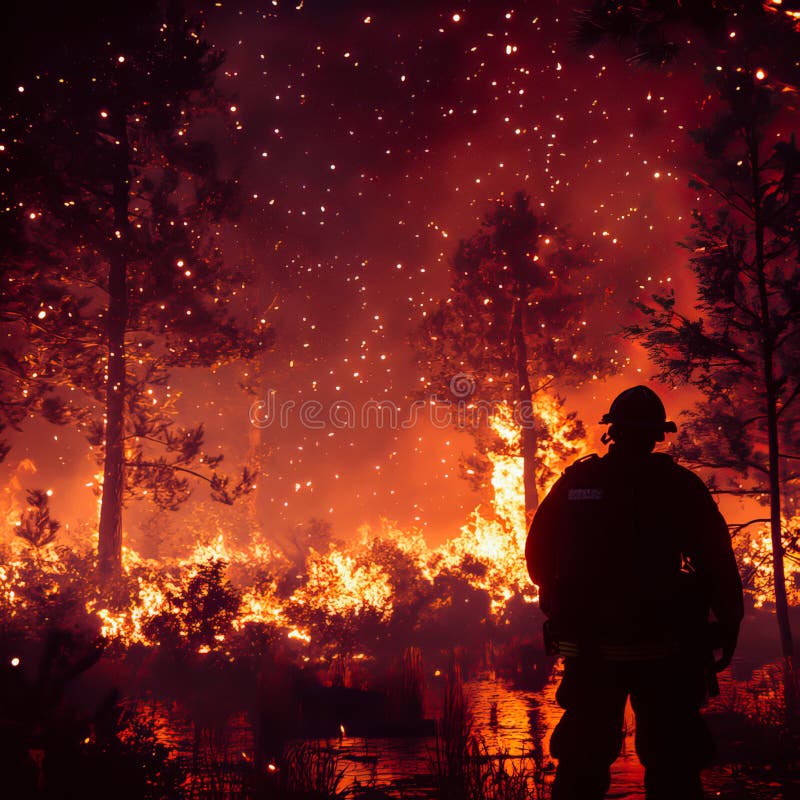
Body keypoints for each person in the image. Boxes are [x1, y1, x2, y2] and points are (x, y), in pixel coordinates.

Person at [525, 385, 743, 800]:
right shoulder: (679, 486)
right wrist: (729, 621)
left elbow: (537, 558)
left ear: (612, 431)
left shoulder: (576, 483)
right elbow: (716, 561)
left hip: (588, 652)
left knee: (581, 766)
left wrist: (562, 599)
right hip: (664, 653)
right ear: (658, 434)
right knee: (673, 766)